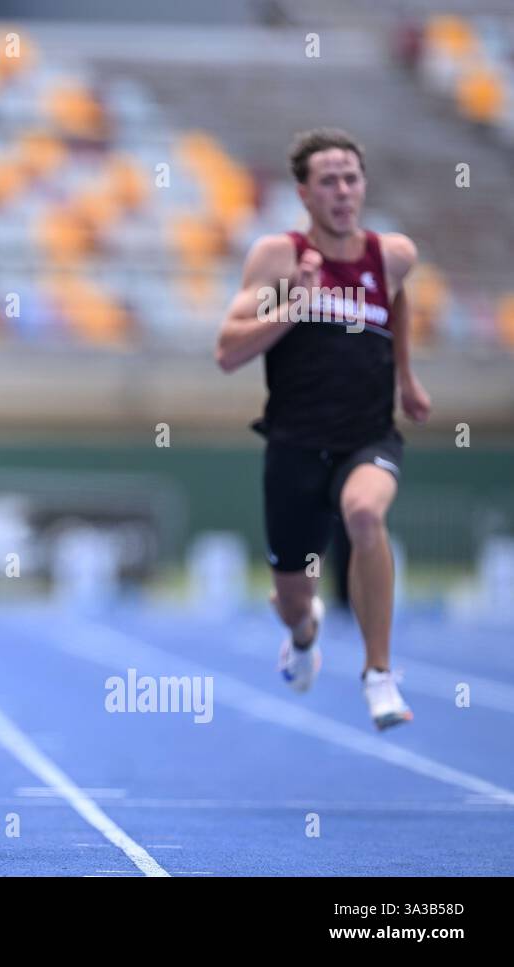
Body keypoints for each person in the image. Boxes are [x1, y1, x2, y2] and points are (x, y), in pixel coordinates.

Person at [215, 128, 430, 729]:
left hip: (368, 436)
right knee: (292, 600)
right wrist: (293, 306)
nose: (342, 191)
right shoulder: (278, 258)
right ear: (304, 194)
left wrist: (407, 379)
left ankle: (380, 675)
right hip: (294, 445)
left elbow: (399, 296)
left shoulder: (392, 255)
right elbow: (227, 351)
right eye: (328, 181)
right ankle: (304, 635)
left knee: (365, 513)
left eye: (352, 179)